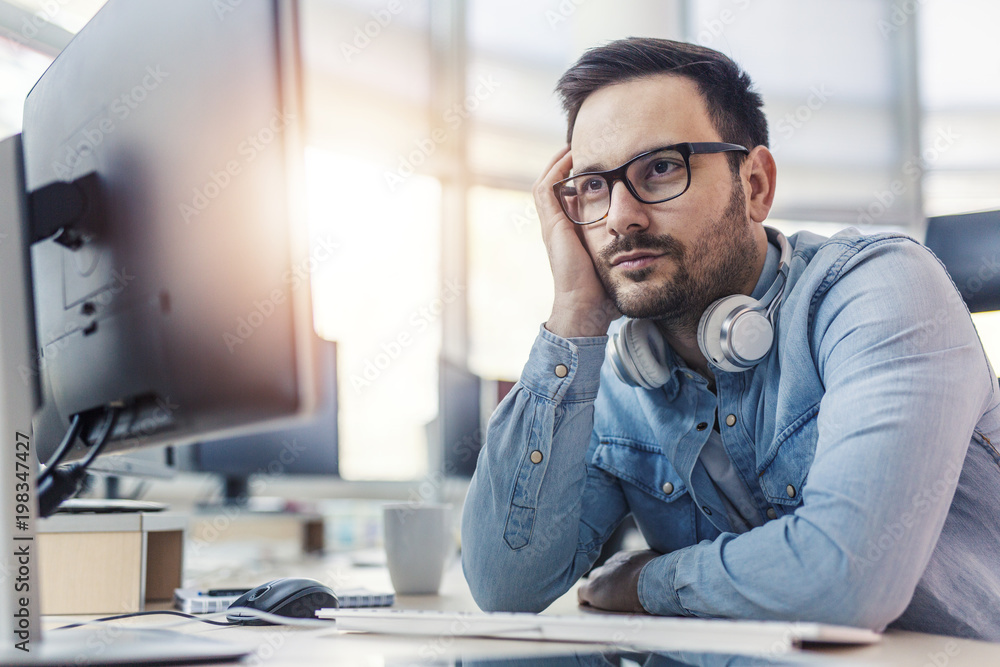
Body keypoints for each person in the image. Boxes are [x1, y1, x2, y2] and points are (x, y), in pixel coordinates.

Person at [460, 37, 1000, 641]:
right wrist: (572, 318)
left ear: (756, 185)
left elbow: (845, 580)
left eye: (661, 167)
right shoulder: (616, 378)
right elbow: (504, 586)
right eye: (592, 185)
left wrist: (647, 583)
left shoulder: (882, 289)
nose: (620, 217)